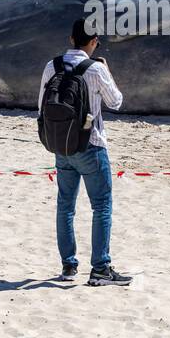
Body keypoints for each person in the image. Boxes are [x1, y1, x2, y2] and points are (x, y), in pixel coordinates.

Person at [39, 19, 130, 287]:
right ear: (93, 42)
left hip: (61, 144)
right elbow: (116, 102)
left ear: (71, 39)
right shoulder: (95, 69)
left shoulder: (51, 66)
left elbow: (40, 107)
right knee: (101, 205)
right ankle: (100, 267)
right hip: (91, 144)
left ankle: (68, 266)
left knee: (65, 205)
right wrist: (107, 70)